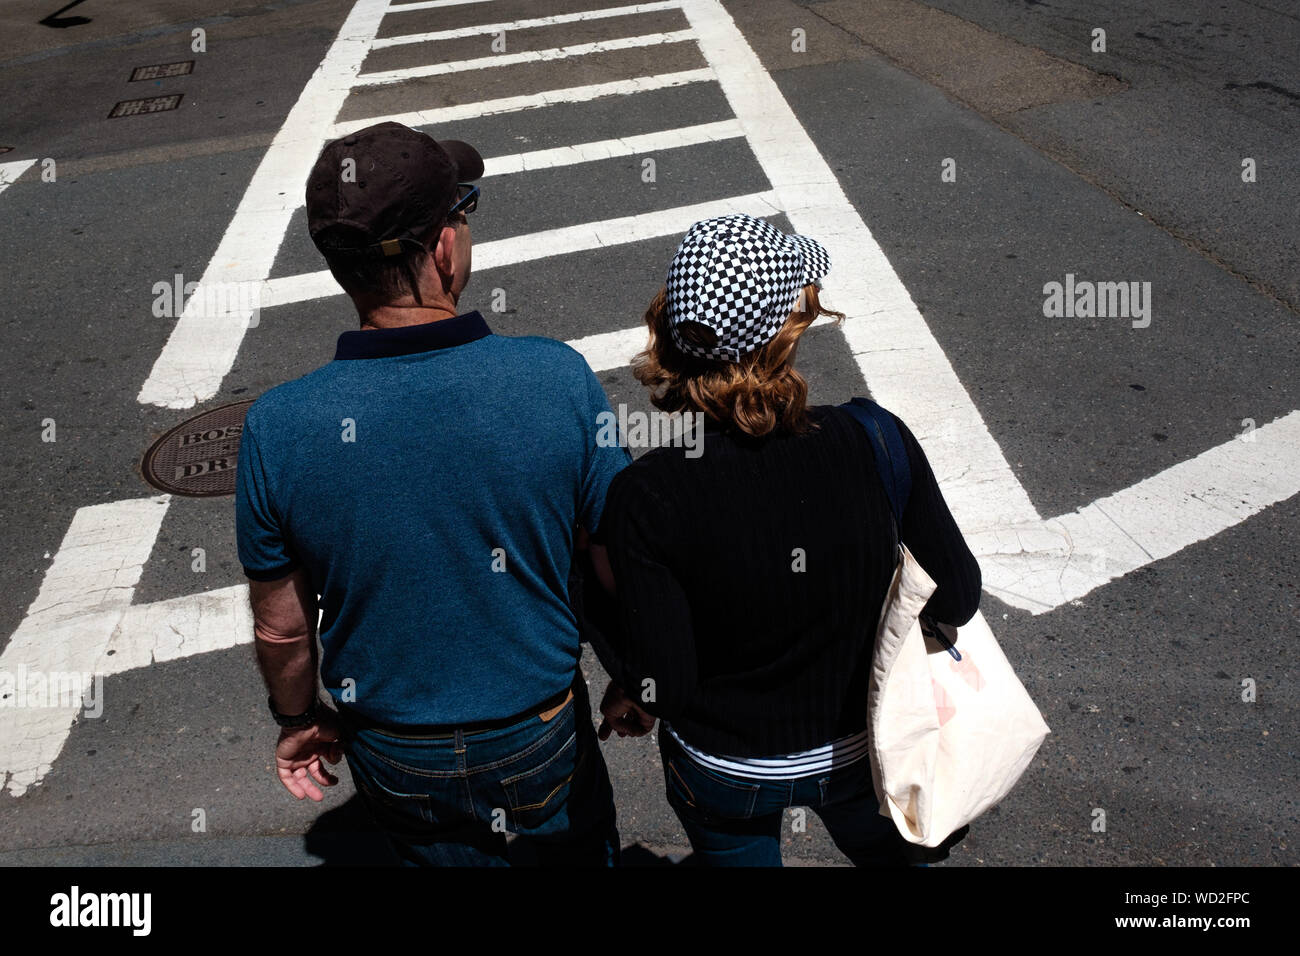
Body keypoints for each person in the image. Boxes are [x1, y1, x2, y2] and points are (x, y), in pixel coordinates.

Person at [233, 121, 630, 866]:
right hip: (538, 726)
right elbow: (616, 559)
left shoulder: (278, 427)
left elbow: (283, 630)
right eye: (462, 212)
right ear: (445, 249)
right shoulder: (556, 380)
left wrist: (295, 719)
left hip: (391, 743)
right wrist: (635, 674)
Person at [589, 214, 982, 866]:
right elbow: (956, 597)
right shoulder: (876, 439)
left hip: (728, 770)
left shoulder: (645, 495)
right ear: (787, 334)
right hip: (864, 747)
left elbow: (669, 687)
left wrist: (631, 689)